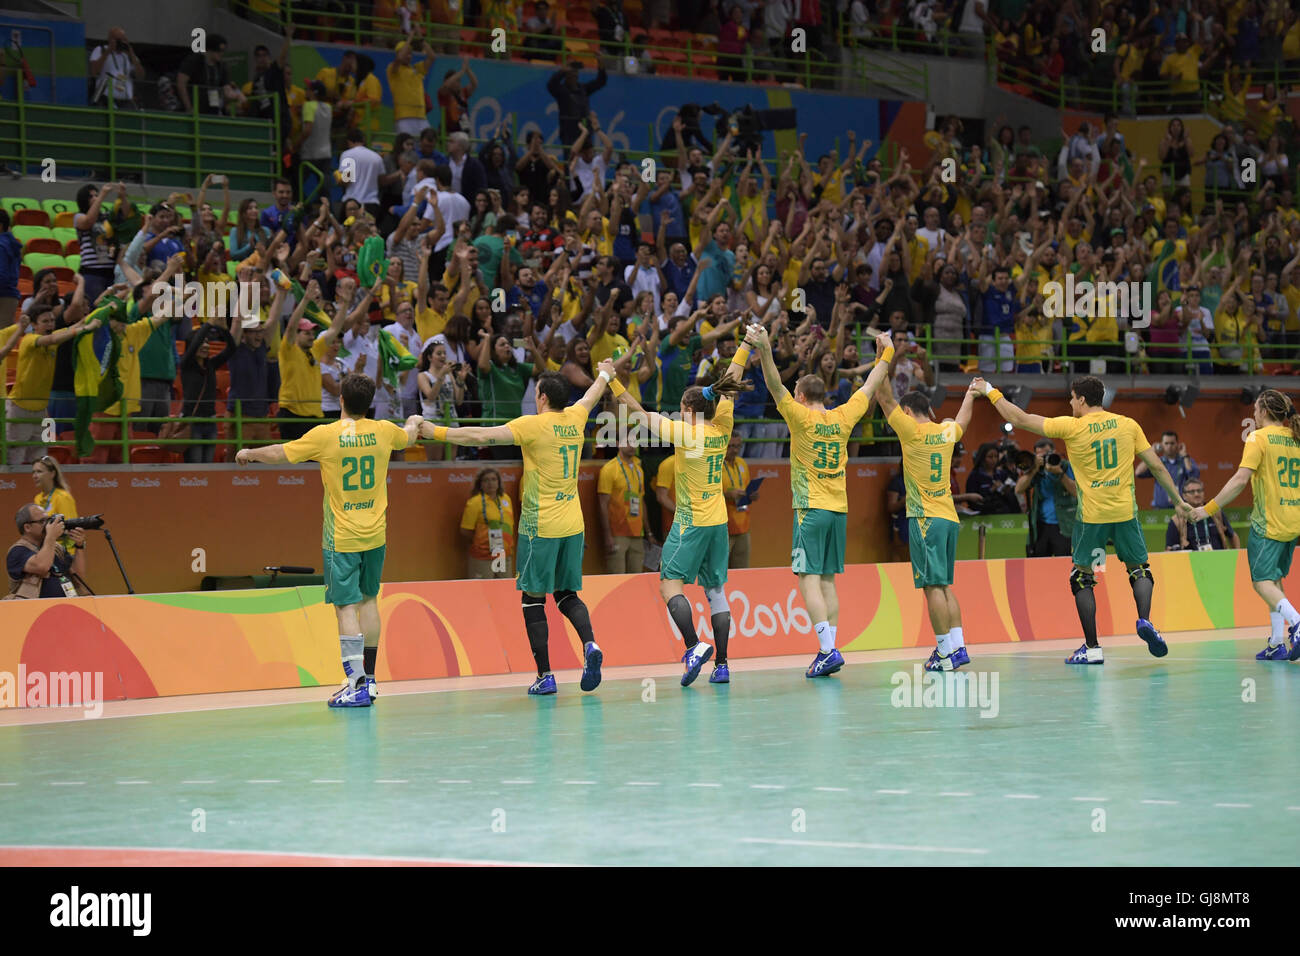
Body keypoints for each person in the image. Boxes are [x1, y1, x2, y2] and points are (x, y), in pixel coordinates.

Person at [416, 366, 616, 695]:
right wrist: (606, 374)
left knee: (532, 600)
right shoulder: (578, 417)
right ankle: (590, 644)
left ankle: (545, 675)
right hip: (573, 525)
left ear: (542, 398)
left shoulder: (532, 425)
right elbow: (593, 394)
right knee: (567, 594)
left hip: (541, 526)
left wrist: (433, 431)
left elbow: (479, 437)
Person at [235, 374, 421, 707]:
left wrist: (250, 452)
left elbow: (280, 452)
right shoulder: (384, 431)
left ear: (341, 401)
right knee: (369, 601)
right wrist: (413, 419)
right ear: (369, 402)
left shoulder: (326, 435)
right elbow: (408, 435)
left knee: (345, 605)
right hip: (375, 534)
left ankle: (356, 682)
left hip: (342, 538)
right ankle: (371, 679)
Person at [975, 375, 1186, 665]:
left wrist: (988, 390)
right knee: (1139, 570)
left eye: (1072, 398)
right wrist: (1179, 501)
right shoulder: (1128, 424)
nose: (1070, 403)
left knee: (1082, 578)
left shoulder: (1071, 426)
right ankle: (1145, 620)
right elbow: (1158, 466)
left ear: (1082, 400)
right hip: (1125, 512)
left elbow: (1018, 417)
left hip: (1092, 517)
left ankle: (1092, 648)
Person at [748, 322, 896, 676]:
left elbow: (772, 384)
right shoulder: (842, 415)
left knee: (807, 579)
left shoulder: (798, 417)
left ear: (800, 395)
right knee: (828, 580)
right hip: (838, 510)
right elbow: (873, 384)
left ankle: (827, 650)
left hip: (810, 509)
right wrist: (887, 353)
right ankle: (829, 648)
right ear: (823, 397)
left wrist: (766, 348)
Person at [609, 340, 749, 685]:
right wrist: (745, 344)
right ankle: (723, 665)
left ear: (687, 407)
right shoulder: (722, 427)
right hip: (719, 522)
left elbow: (637, 412)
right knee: (716, 591)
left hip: (690, 522)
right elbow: (731, 382)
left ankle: (692, 646)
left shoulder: (683, 433)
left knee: (670, 585)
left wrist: (611, 379)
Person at [1187, 390, 1300, 661]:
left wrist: (1207, 509)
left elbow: (1239, 480)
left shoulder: (1258, 438)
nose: (1253, 415)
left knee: (1261, 583)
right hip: (1293, 521)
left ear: (1264, 411)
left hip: (1268, 524)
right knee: (1274, 580)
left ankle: (1296, 624)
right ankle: (1276, 643)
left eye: (1255, 410)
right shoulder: (1295, 438)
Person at [875, 377, 978, 672]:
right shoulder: (946, 431)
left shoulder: (909, 430)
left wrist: (883, 357)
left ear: (907, 412)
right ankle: (958, 647)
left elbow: (884, 398)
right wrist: (970, 393)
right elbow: (963, 419)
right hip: (948, 517)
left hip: (924, 520)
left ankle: (945, 653)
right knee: (944, 586)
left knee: (932, 587)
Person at [6, 506, 88, 600]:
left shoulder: (56, 547)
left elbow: (78, 575)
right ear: (27, 527)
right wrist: (51, 537)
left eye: (48, 519)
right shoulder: (17, 551)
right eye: (42, 521)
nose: (48, 524)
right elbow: (42, 566)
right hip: (35, 611)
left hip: (66, 606)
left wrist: (79, 546)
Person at [1016, 437, 1077, 557]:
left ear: (1054, 452)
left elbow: (1076, 492)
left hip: (1064, 525)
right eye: (1040, 455)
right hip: (1040, 526)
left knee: (1064, 564)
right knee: (1037, 564)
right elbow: (1018, 489)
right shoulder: (1035, 469)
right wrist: (1034, 469)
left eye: (1047, 454)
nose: (1044, 458)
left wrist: (1059, 473)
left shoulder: (1064, 466)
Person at [597, 437, 646, 573]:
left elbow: (641, 500)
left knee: (636, 579)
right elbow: (602, 504)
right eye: (628, 442)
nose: (632, 446)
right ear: (618, 444)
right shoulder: (609, 469)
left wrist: (649, 532)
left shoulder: (638, 468)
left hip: (637, 533)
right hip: (617, 533)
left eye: (635, 442)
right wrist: (607, 536)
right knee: (616, 577)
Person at [460, 467, 515, 579]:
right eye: (486, 480)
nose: (491, 483)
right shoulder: (475, 502)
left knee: (503, 589)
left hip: (503, 554)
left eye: (494, 479)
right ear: (480, 484)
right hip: (483, 556)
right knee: (482, 590)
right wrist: (482, 542)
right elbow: (465, 530)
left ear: (499, 482)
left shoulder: (506, 499)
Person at [1167, 478, 1238, 553]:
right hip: (1191, 562)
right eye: (1192, 492)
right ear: (1184, 496)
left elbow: (1233, 536)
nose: (1196, 494)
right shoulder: (1176, 520)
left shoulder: (1215, 512)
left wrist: (1237, 558)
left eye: (1199, 491)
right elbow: (1169, 549)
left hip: (1218, 560)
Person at [1135, 430, 1199, 508]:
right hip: (1160, 509)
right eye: (1166, 443)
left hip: (1182, 508)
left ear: (1177, 445)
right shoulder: (1156, 461)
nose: (1169, 446)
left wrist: (1185, 455)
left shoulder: (1185, 460)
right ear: (1161, 445)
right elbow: (1138, 473)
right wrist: (1151, 453)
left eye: (1172, 443)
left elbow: (1194, 477)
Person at [722, 432, 752, 568]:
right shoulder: (716, 465)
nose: (735, 450)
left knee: (742, 571)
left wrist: (750, 495)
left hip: (743, 527)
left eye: (738, 446)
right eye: (731, 446)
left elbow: (746, 488)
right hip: (723, 528)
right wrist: (728, 494)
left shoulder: (742, 463)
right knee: (720, 570)